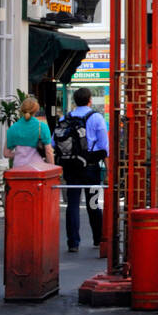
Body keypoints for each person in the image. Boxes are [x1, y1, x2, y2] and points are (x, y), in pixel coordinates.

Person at [56, 86, 108, 254]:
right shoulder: (96, 118)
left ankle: (73, 242)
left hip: (71, 168)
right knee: (93, 204)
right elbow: (103, 146)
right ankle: (98, 238)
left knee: (72, 204)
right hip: (91, 168)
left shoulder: (66, 118)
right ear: (90, 100)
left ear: (74, 101)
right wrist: (109, 171)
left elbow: (53, 142)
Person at [3, 95, 54, 170]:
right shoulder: (42, 127)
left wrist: (20, 154)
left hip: (18, 169)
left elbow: (6, 154)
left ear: (22, 110)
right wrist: (52, 169)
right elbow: (48, 152)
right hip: (37, 169)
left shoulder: (13, 128)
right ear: (36, 110)